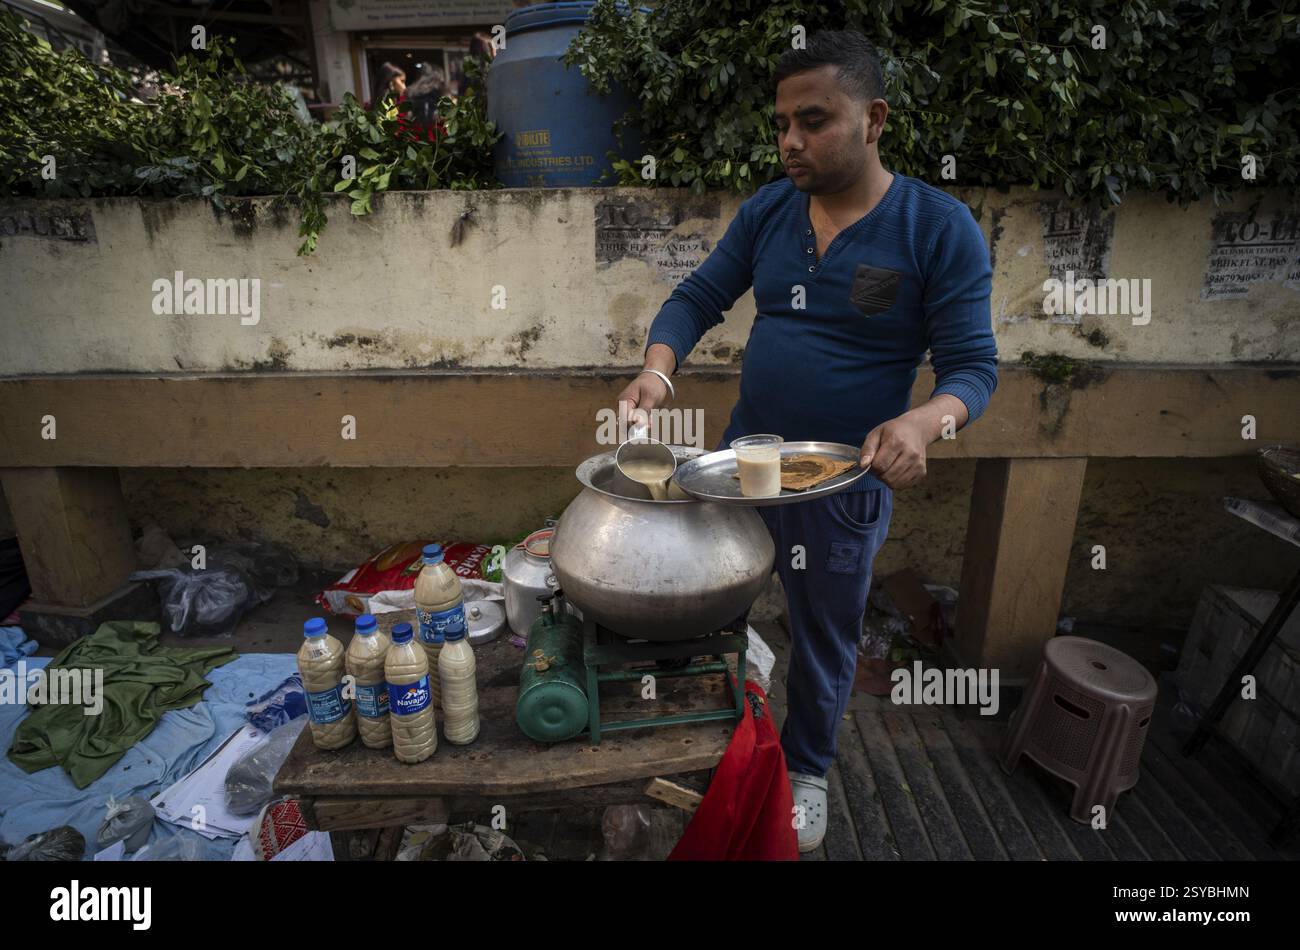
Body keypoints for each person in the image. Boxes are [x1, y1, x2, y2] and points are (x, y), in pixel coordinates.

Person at [616, 29, 998, 852]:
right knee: (709, 602)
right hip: (740, 465)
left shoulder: (937, 228)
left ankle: (810, 768)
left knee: (824, 631)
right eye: (784, 123)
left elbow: (973, 368)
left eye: (814, 120)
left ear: (874, 120)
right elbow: (699, 295)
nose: (791, 140)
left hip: (841, 483)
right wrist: (659, 371)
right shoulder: (769, 211)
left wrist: (926, 420)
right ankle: (707, 743)